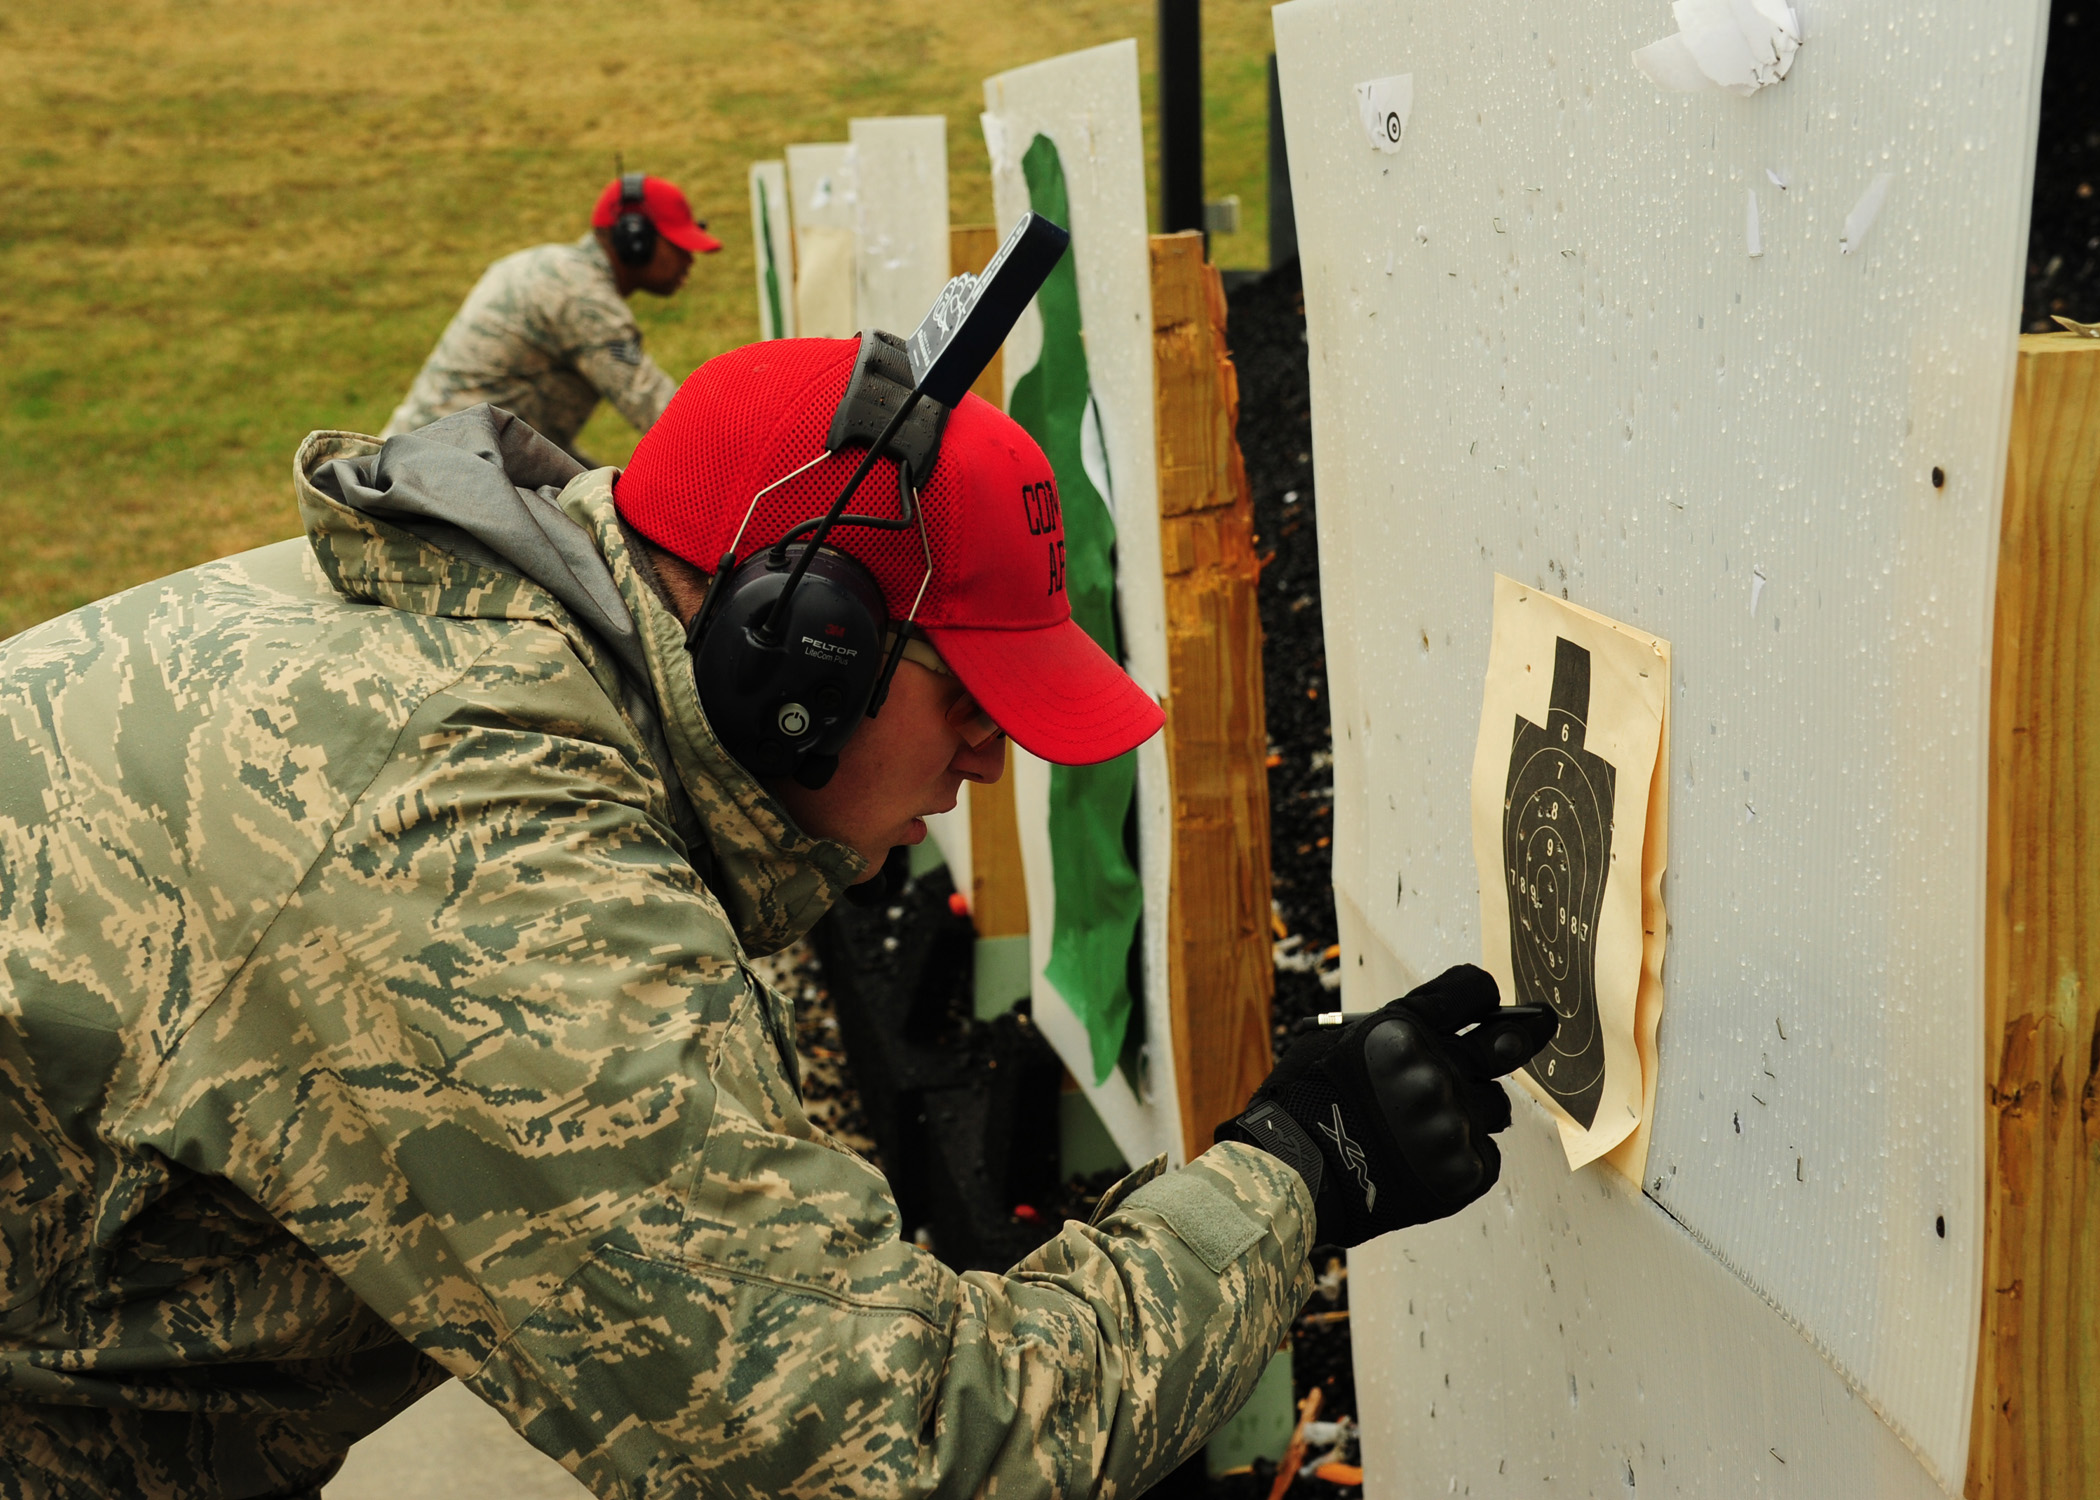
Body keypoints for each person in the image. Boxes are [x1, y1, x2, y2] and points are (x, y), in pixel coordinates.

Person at [0, 336, 1546, 1498]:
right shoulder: (485, 868)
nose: (991, 754)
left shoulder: (474, 660)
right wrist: (1294, 1181)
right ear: (799, 646)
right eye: (971, 697)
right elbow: (882, 1444)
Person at [380, 172, 720, 465]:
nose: (689, 259)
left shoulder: (553, 267)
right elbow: (666, 418)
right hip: (440, 475)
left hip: (433, 459)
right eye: (678, 245)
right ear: (636, 240)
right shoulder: (583, 300)